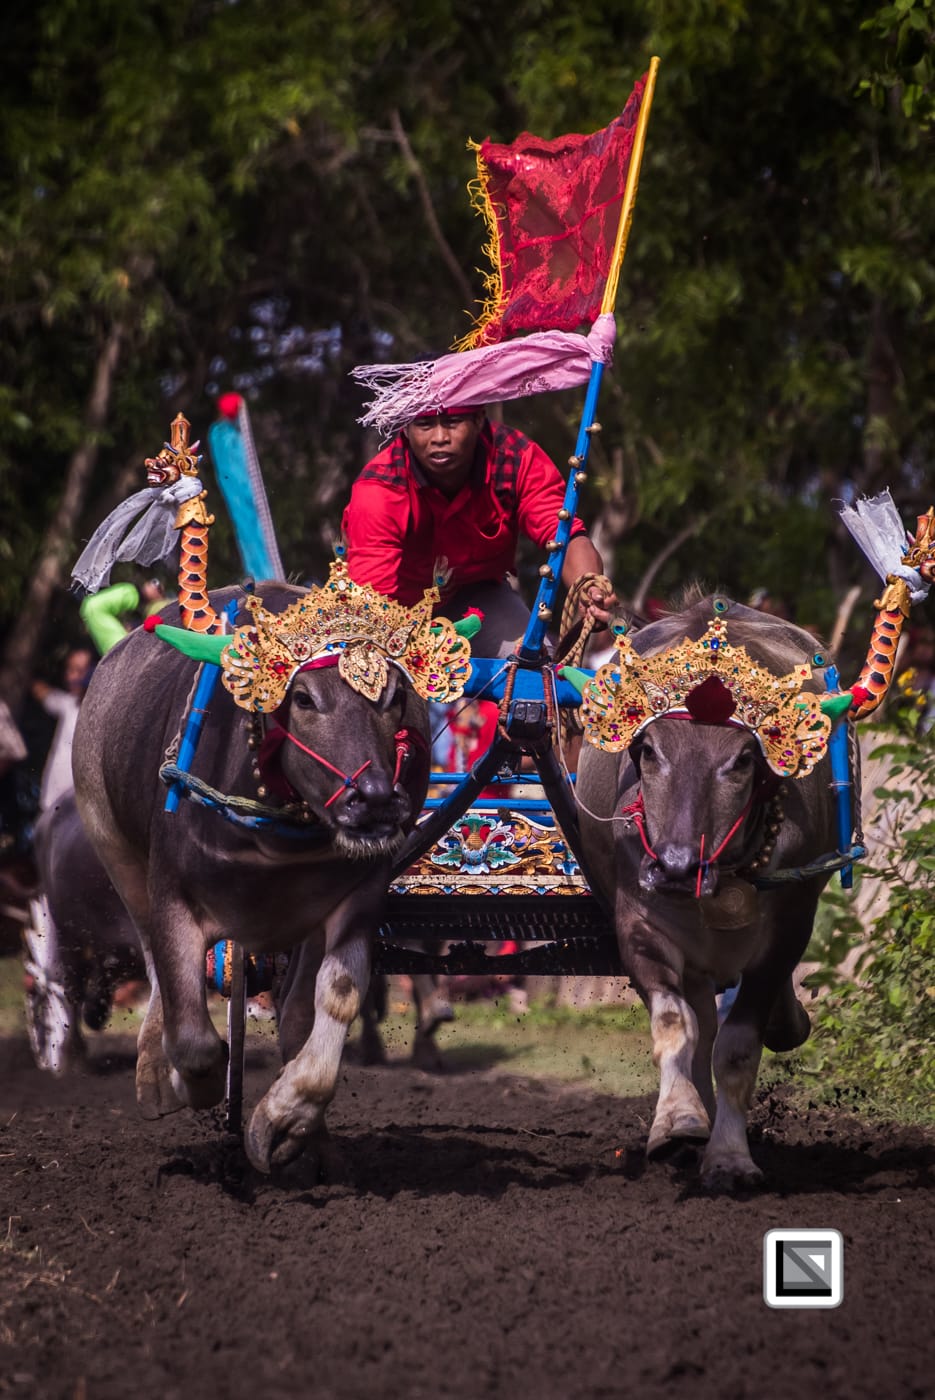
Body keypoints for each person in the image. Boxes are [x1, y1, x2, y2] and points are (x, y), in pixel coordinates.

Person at [342, 407, 616, 657]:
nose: (439, 437)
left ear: (478, 419)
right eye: (424, 424)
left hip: (480, 597)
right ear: (405, 429)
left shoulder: (516, 457)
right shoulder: (379, 488)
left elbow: (562, 534)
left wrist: (589, 587)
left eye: (452, 422)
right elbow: (371, 603)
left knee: (537, 676)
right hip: (394, 609)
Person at [31, 647, 94, 813]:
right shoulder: (68, 704)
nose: (71, 676)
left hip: (80, 812)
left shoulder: (100, 713)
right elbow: (43, 692)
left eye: (79, 671)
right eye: (69, 669)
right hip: (51, 804)